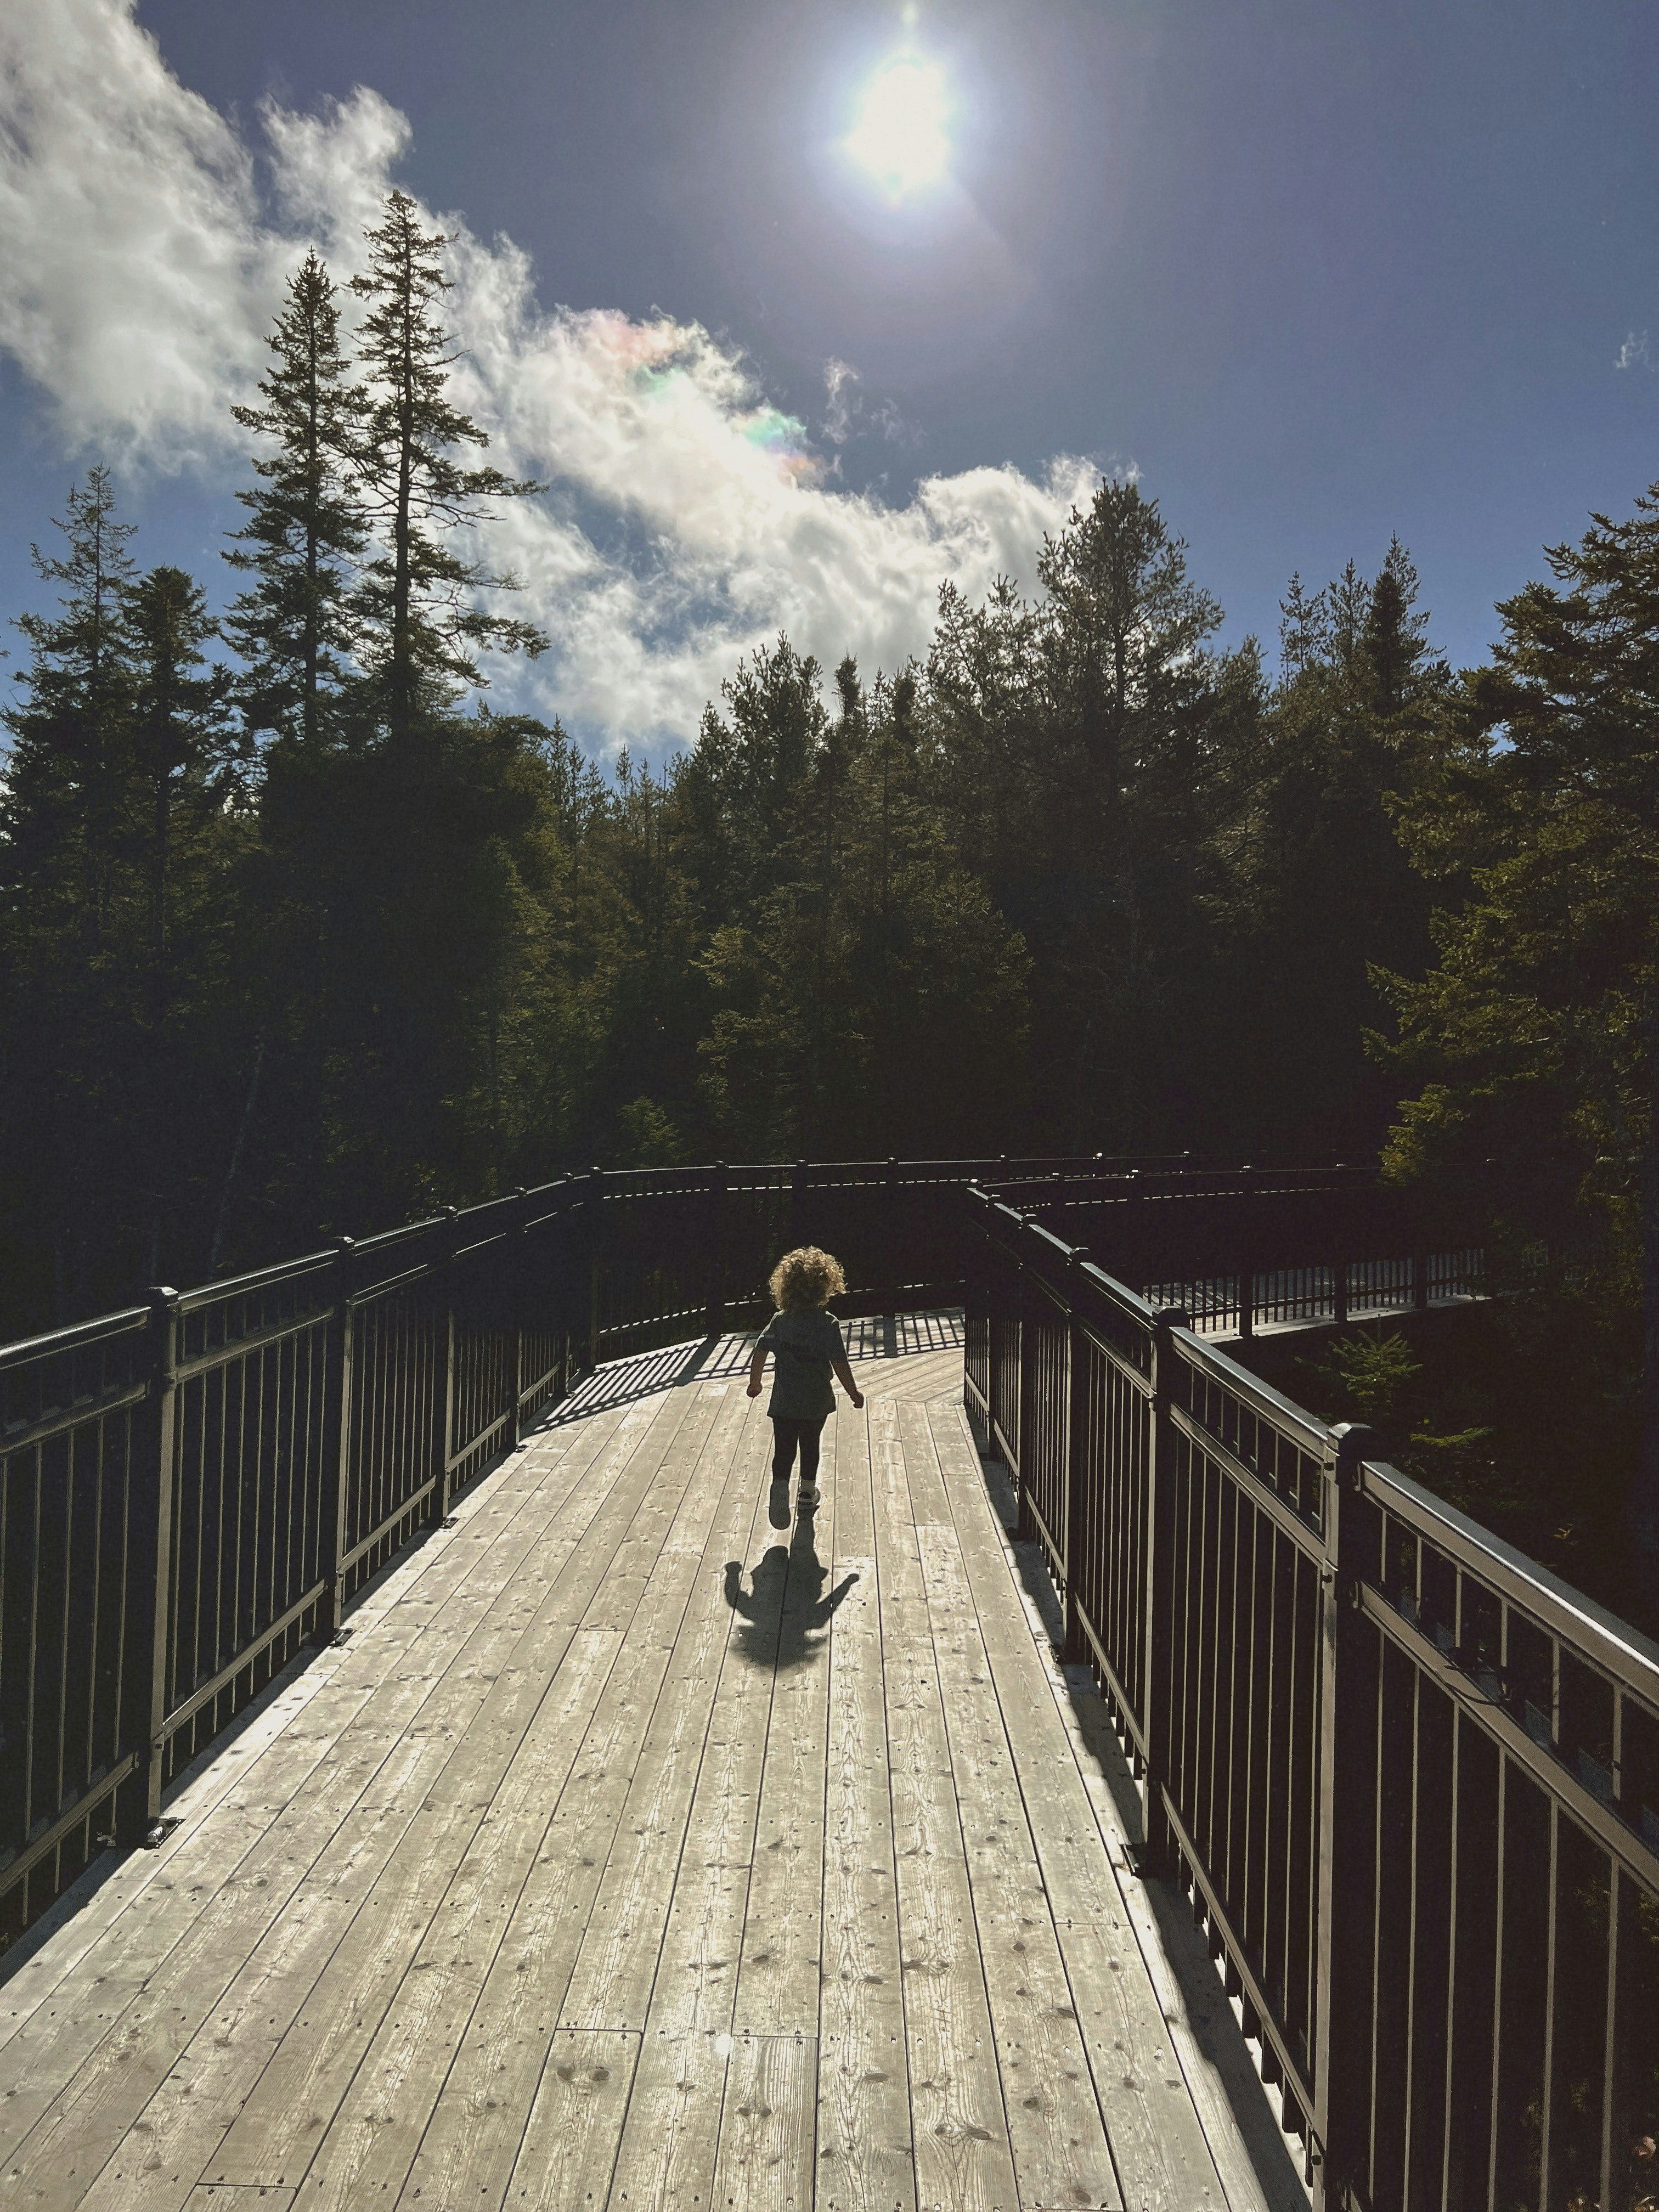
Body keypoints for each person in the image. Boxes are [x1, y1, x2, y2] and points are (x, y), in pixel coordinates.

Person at [747, 1245, 864, 1528]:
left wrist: (756, 1382)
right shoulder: (828, 1324)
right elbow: (839, 1361)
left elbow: (760, 1350)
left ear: (785, 1288)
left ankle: (779, 1487)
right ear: (825, 1286)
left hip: (785, 1400)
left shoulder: (780, 1321)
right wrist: (853, 1392)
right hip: (815, 1401)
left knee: (784, 1448)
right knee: (811, 1445)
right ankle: (807, 1493)